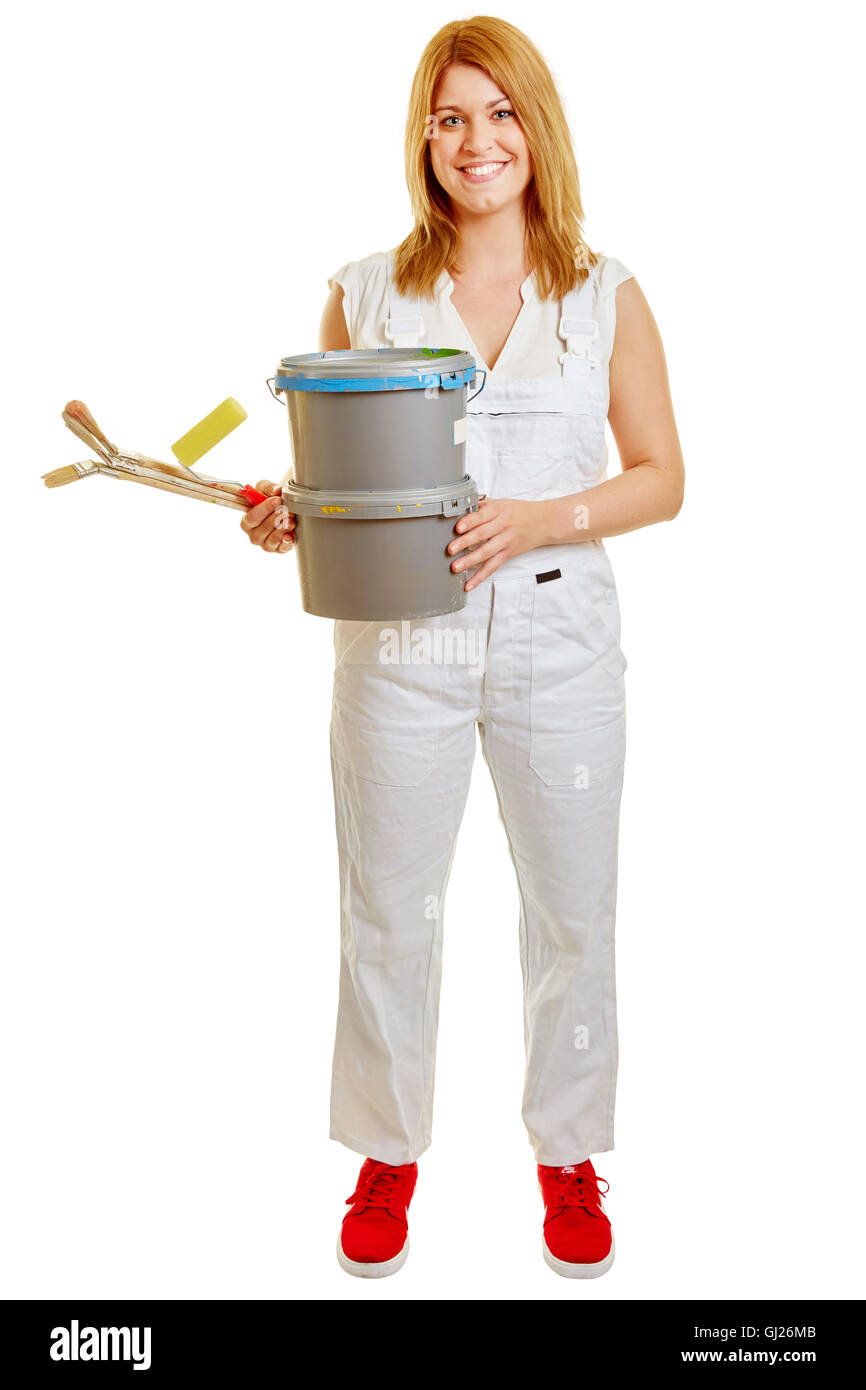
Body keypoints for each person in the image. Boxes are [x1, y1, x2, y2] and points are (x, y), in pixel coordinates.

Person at [241, 15, 684, 1279]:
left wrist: (545, 513)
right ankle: (387, 1149)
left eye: (496, 114)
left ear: (534, 127)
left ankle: (565, 1151)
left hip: (559, 645)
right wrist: (292, 513)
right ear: (421, 139)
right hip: (398, 655)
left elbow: (664, 478)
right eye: (448, 118)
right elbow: (332, 470)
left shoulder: (602, 293)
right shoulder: (365, 288)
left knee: (570, 911)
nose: (473, 141)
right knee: (385, 905)